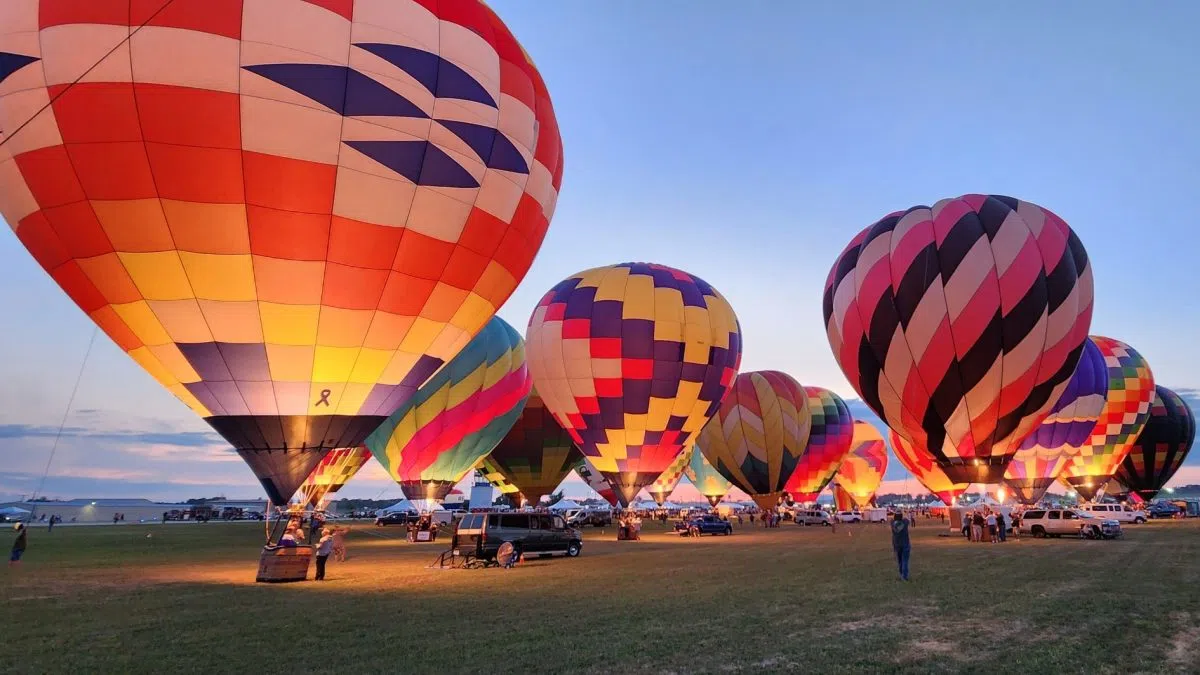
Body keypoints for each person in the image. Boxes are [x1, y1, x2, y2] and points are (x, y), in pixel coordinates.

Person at [890, 512, 911, 581]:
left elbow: (892, 520)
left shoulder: (892, 523)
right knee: (905, 560)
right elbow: (907, 519)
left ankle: (901, 573)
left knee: (900, 561)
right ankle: (904, 576)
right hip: (905, 544)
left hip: (897, 544)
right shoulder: (905, 523)